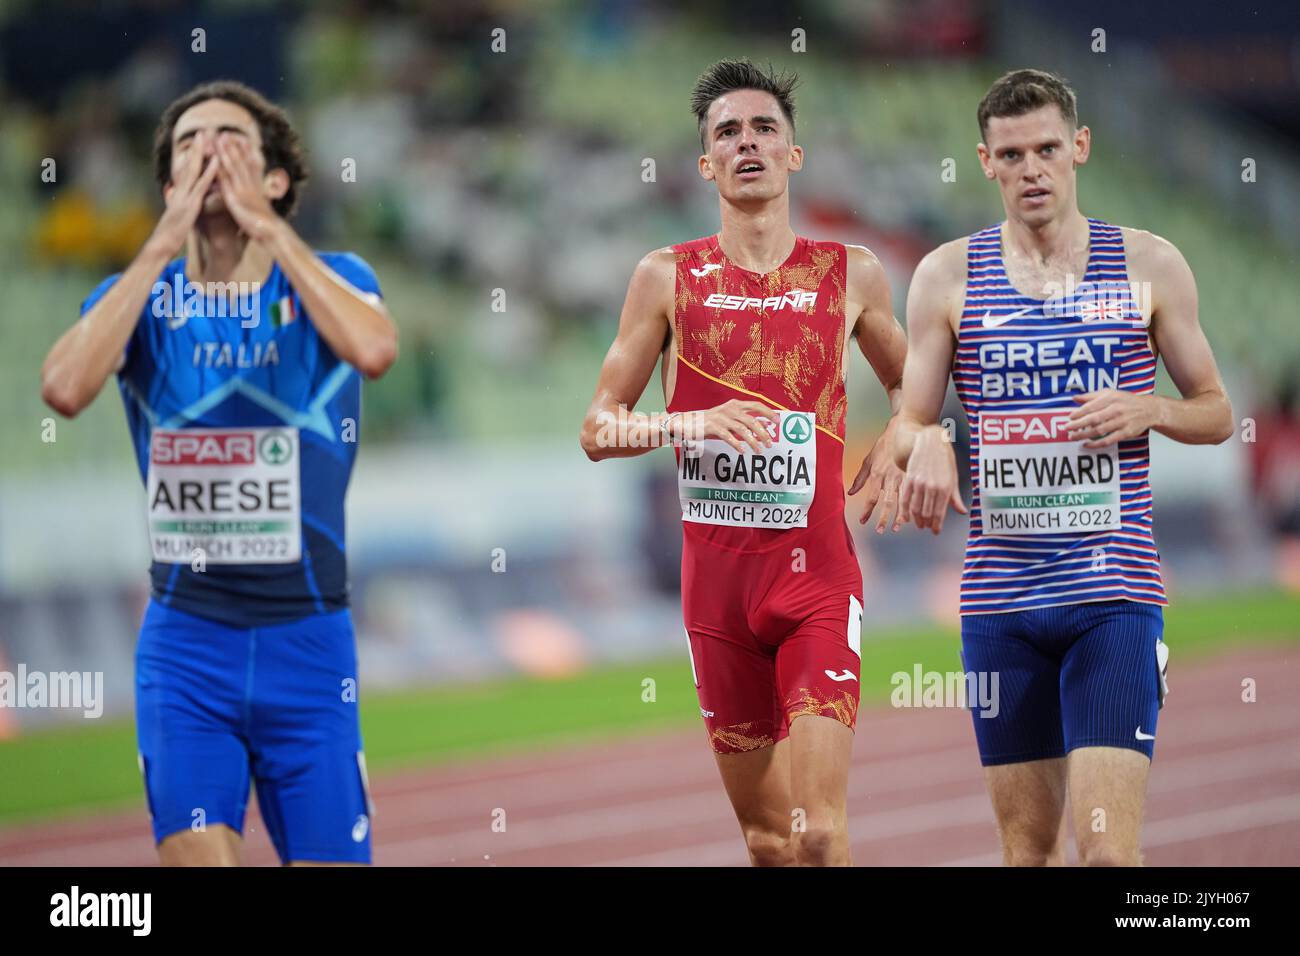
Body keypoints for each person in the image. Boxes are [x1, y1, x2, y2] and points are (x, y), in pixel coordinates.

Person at [40, 80, 398, 866]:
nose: (209, 153)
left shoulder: (334, 278)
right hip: (185, 649)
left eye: (230, 139)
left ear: (274, 177)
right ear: (169, 186)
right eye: (189, 146)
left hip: (310, 650)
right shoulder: (135, 299)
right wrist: (159, 245)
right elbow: (63, 389)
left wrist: (268, 230)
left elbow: (373, 350)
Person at [893, 69, 1233, 866]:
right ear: (985, 162)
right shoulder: (947, 276)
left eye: (1048, 148)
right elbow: (907, 421)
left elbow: (1216, 409)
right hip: (1000, 603)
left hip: (1111, 596)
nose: (1032, 169)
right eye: (1012, 154)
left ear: (1079, 147)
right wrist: (931, 438)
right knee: (1027, 853)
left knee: (1109, 854)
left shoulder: (1149, 265)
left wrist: (1153, 408)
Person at [580, 59, 908, 866]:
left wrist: (907, 438)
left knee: (820, 833)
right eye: (728, 132)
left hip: (817, 581)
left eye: (766, 129)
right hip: (717, 592)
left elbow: (914, 386)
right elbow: (597, 428)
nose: (747, 142)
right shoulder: (665, 277)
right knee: (767, 841)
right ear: (706, 164)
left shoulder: (851, 275)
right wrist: (688, 425)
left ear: (795, 155)